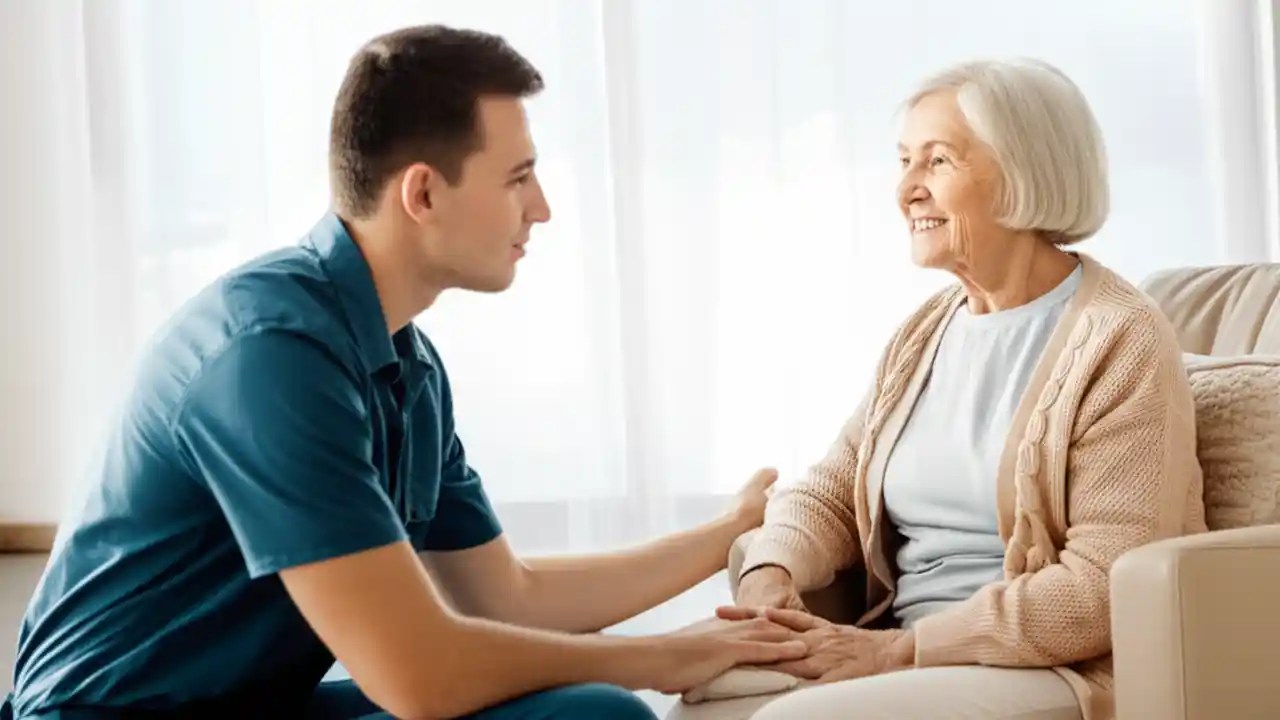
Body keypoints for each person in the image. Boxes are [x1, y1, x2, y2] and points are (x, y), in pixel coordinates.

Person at [2, 25, 808, 720]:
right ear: (422, 192)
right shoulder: (270, 355)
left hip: (245, 704)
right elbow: (417, 676)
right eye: (518, 177)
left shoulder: (406, 369)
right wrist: (666, 657)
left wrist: (723, 537)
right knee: (598, 710)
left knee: (583, 704)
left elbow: (507, 597)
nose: (542, 208)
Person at [679, 59, 1207, 720]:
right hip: (903, 649)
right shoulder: (927, 331)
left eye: (937, 161)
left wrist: (900, 651)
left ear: (1025, 170)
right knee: (700, 692)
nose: (906, 190)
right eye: (904, 161)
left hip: (1048, 667)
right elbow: (833, 488)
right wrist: (769, 572)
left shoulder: (1120, 338)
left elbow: (1100, 586)